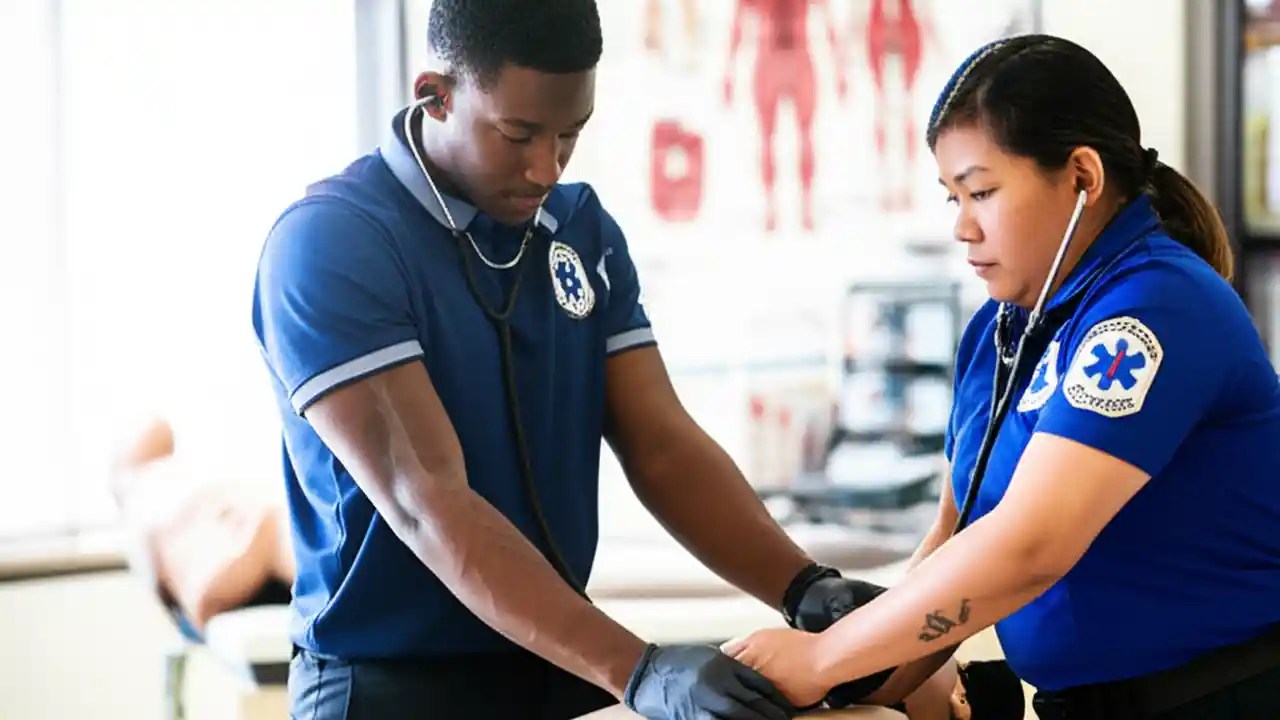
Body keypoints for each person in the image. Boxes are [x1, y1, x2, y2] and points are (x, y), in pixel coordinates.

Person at [249, 2, 951, 718]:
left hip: (547, 659)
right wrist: (638, 670)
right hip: (389, 684)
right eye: (518, 134)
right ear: (436, 93)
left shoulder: (579, 229)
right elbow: (428, 502)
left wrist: (805, 588)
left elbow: (663, 447)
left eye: (569, 136)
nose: (545, 168)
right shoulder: (333, 243)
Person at [723, 33, 1280, 719]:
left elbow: (1031, 545)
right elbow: (955, 542)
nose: (962, 227)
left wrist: (823, 661)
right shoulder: (1002, 330)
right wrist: (856, 675)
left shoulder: (1157, 308)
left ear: (1081, 177)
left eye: (981, 192)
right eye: (950, 197)